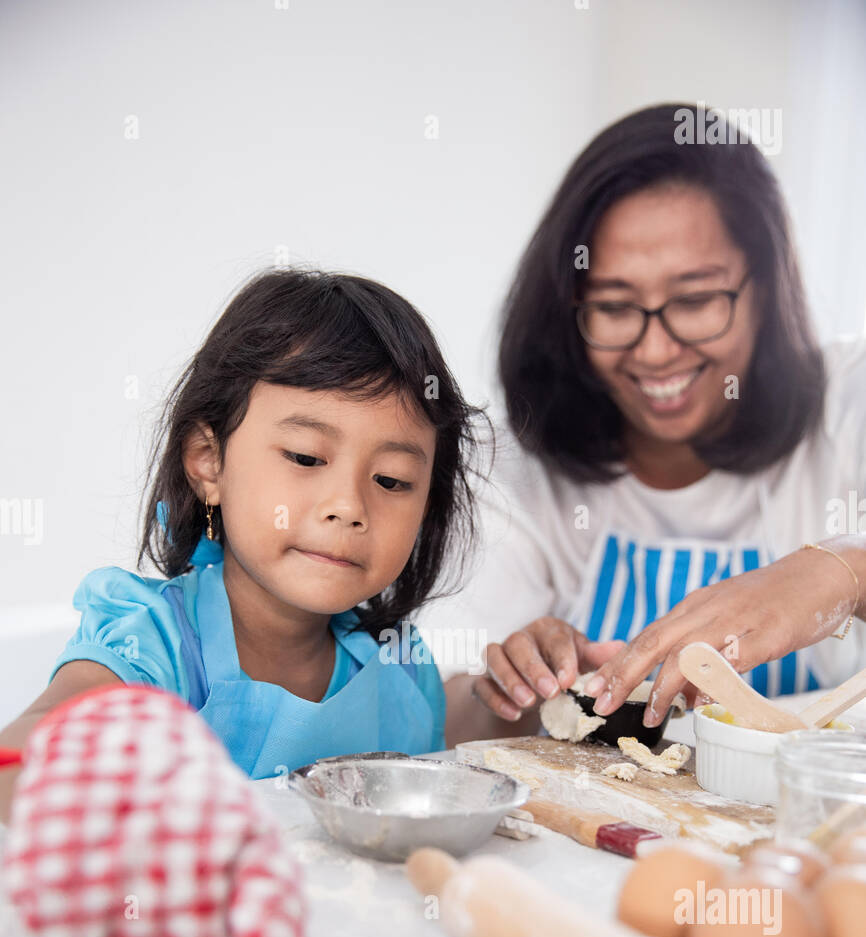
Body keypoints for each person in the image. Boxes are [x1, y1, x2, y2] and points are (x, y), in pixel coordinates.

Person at [435, 104, 866, 747]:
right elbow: (445, 720)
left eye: (694, 300)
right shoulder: (514, 469)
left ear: (768, 290)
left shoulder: (847, 401)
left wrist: (839, 574)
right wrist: (516, 693)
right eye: (613, 307)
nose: (656, 351)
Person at [0, 268, 482, 819]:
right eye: (305, 457)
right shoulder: (152, 647)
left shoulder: (397, 663)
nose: (349, 507)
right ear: (208, 461)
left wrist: (527, 689)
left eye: (392, 480)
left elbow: (451, 746)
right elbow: (27, 751)